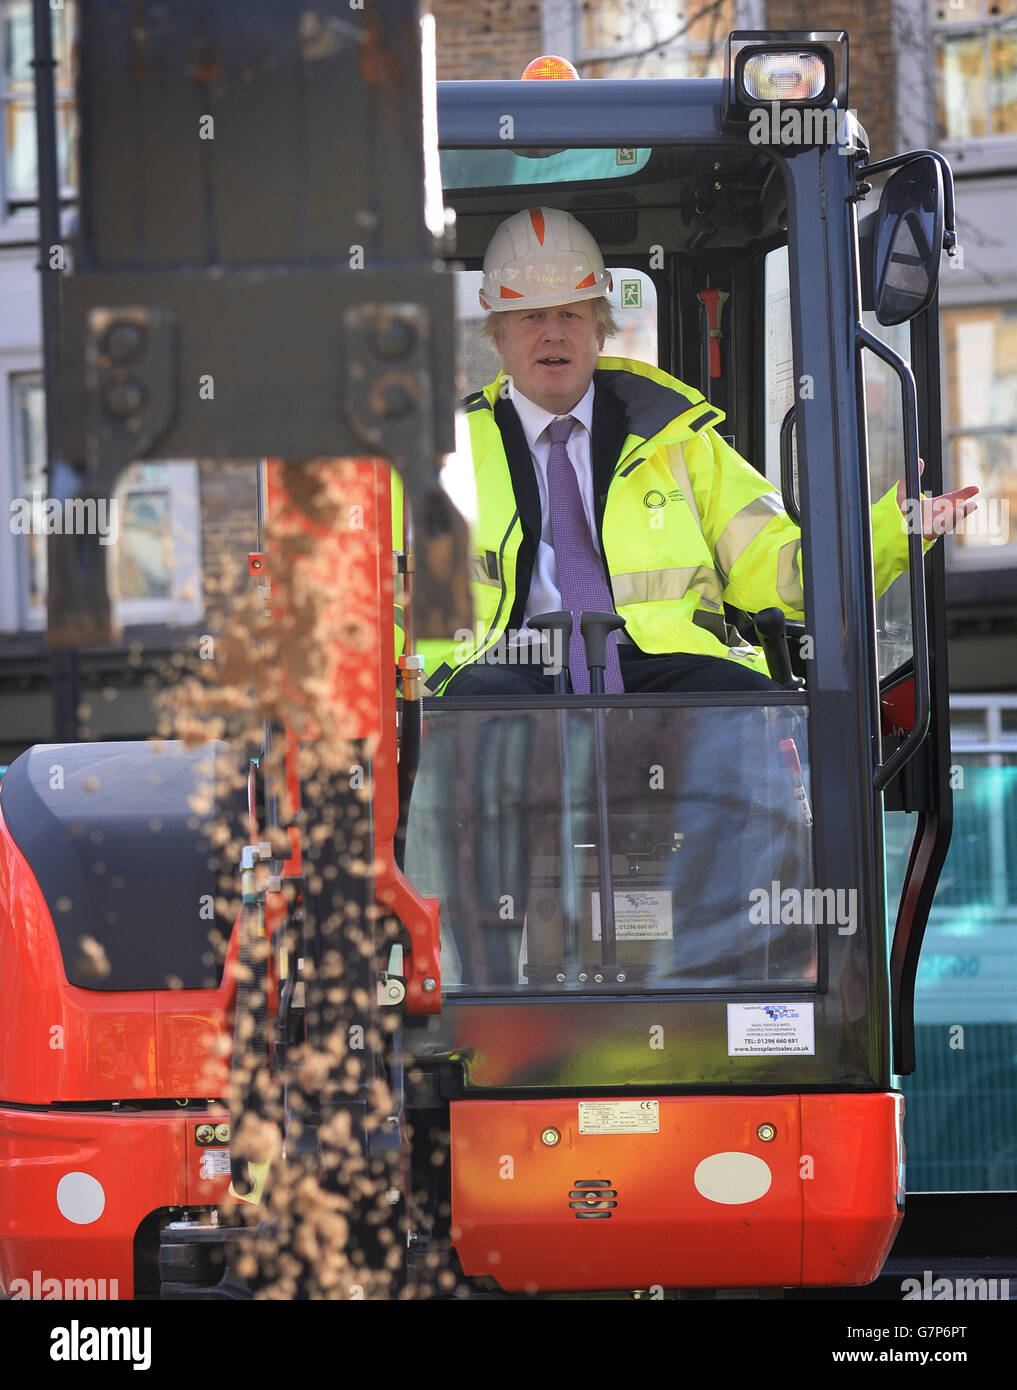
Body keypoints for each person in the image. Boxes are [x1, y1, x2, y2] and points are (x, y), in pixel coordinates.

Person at [423, 206, 978, 699]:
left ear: (600, 330)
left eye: (570, 314)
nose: (552, 334)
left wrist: (889, 528)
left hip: (658, 668)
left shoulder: (682, 441)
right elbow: (382, 605)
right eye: (531, 317)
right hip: (505, 668)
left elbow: (779, 570)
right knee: (478, 709)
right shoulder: (439, 458)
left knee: (744, 705)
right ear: (497, 335)